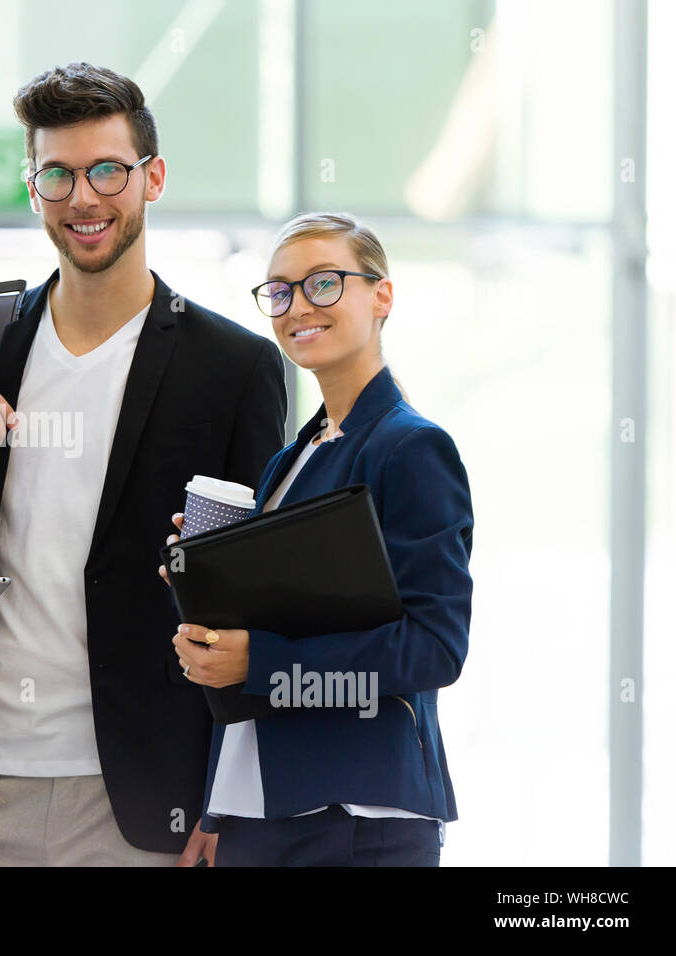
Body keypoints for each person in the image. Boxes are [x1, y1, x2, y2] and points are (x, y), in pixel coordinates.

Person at [0, 63, 286, 866]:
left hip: (132, 798)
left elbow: (259, 599)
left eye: (107, 169)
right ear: (32, 188)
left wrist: (226, 797)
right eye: (56, 174)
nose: (83, 198)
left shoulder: (233, 366)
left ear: (152, 177)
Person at [163, 211, 473, 866]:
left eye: (323, 283)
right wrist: (205, 582)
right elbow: (278, 629)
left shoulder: (411, 449)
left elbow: (434, 648)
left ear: (381, 295)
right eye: (279, 291)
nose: (298, 304)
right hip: (265, 810)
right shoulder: (290, 461)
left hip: (355, 817)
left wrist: (261, 663)